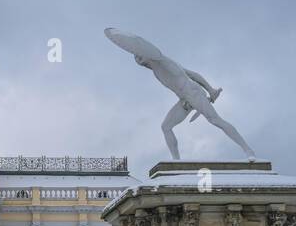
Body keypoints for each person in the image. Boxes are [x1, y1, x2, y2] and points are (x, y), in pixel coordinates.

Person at [104, 29, 256, 161]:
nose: (137, 59)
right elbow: (189, 73)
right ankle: (177, 162)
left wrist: (210, 90)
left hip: (194, 93)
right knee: (166, 127)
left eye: (138, 56)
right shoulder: (157, 71)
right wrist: (205, 91)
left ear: (145, 53)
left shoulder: (162, 60)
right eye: (135, 58)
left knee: (215, 120)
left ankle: (248, 150)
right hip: (185, 100)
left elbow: (192, 76)